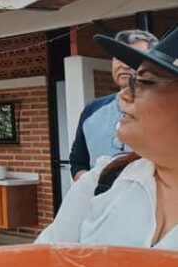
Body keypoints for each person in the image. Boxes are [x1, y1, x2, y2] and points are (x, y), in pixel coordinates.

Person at [38, 26, 178, 249]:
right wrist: (89, 187)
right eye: (133, 81)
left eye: (145, 81)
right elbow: (45, 258)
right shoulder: (107, 178)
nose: (125, 95)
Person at [69, 29, 158, 181]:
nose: (123, 64)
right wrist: (92, 186)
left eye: (131, 57)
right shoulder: (92, 110)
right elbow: (78, 161)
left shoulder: (166, 111)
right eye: (118, 58)